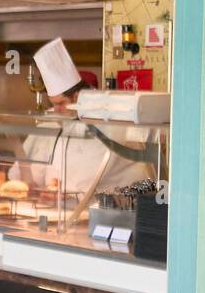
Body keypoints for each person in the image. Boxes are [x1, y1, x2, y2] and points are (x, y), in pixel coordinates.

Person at [13, 38, 152, 201]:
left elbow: (95, 181)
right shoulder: (54, 120)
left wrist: (70, 196)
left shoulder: (107, 119)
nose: (56, 110)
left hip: (110, 210)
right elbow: (32, 175)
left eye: (60, 104)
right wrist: (45, 191)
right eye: (53, 104)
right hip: (61, 212)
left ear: (77, 97)